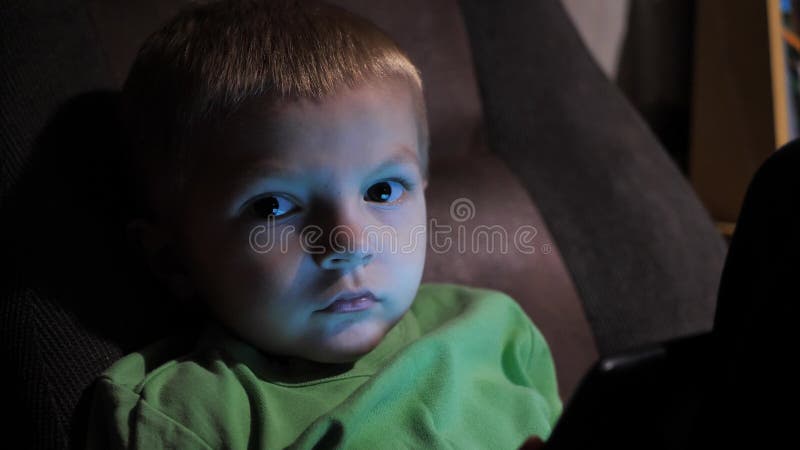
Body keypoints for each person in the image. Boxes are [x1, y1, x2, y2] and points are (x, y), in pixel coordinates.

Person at [85, 0, 562, 448]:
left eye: (382, 191)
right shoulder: (186, 415)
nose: (349, 243)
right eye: (273, 206)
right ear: (174, 260)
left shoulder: (499, 331)